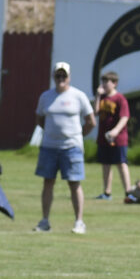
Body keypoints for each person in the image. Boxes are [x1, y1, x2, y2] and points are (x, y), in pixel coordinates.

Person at [33, 62, 96, 234]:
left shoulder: (78, 96)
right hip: (49, 147)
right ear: (53, 77)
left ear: (69, 77)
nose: (61, 79)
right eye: (58, 76)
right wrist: (51, 132)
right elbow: (39, 118)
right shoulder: (46, 96)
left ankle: (79, 222)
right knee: (48, 182)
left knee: (74, 183)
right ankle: (45, 221)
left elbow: (91, 121)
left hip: (71, 147)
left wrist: (78, 135)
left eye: (64, 76)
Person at [93, 70, 132, 201]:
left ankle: (128, 192)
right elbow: (95, 112)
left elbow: (125, 117)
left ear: (114, 83)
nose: (103, 84)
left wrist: (116, 131)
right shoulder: (102, 97)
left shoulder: (120, 98)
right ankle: (107, 192)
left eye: (106, 81)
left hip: (118, 138)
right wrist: (98, 96)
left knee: (121, 163)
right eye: (102, 81)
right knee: (105, 164)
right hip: (104, 137)